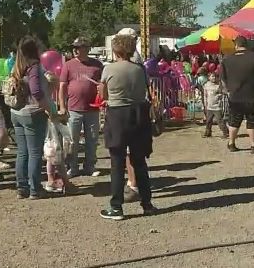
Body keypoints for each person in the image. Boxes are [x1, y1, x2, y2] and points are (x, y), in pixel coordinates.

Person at [98, 34, 156, 220]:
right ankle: (147, 204)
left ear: (115, 50)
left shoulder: (109, 69)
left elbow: (103, 94)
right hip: (139, 114)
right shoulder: (140, 69)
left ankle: (116, 207)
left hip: (117, 115)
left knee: (117, 163)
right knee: (139, 161)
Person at [11, 36, 55, 199]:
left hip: (16, 112)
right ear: (34, 50)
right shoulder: (34, 67)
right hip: (33, 113)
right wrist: (48, 108)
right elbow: (36, 91)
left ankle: (22, 187)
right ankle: (35, 189)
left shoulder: (17, 66)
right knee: (35, 153)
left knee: (22, 152)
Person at [58, 37, 103, 178]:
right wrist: (62, 106)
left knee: (92, 139)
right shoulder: (68, 65)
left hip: (92, 109)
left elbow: (104, 84)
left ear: (87, 49)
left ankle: (90, 166)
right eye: (74, 47)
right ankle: (72, 166)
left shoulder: (97, 65)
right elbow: (62, 86)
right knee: (72, 140)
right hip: (73, 109)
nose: (75, 50)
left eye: (79, 47)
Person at [221, 37, 254, 153]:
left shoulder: (227, 59)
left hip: (235, 95)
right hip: (253, 94)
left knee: (234, 120)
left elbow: (223, 79)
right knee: (252, 120)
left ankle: (231, 143)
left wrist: (227, 90)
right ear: (246, 45)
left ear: (236, 45)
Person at [202, 72, 228, 138]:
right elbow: (205, 95)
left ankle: (226, 132)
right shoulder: (206, 85)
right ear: (209, 77)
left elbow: (224, 92)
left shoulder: (219, 85)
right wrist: (205, 103)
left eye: (215, 76)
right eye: (212, 76)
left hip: (217, 107)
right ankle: (208, 132)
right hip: (209, 107)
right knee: (208, 121)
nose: (214, 78)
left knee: (220, 121)